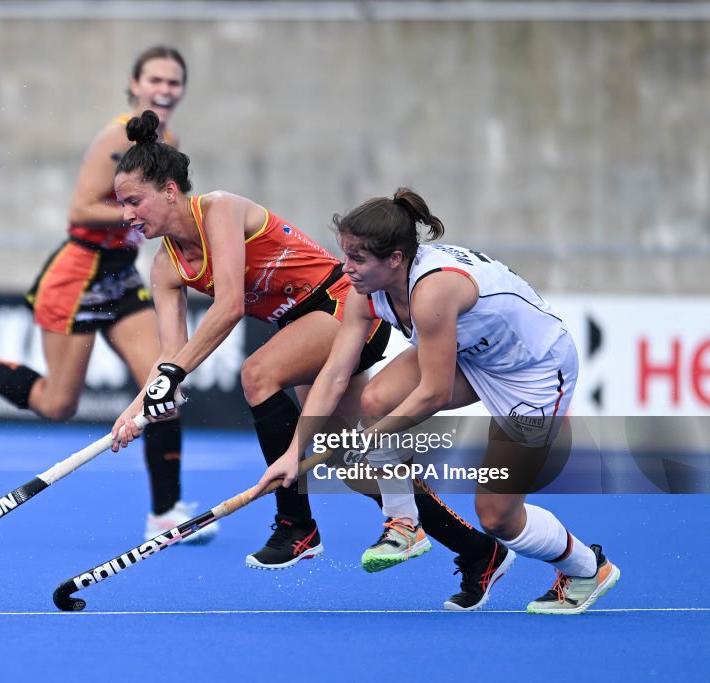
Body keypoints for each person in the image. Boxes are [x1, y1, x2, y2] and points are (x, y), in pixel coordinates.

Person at [108, 113, 511, 609]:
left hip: (340, 306)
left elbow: (230, 305)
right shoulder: (165, 264)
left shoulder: (220, 210)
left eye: (133, 201)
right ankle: (477, 551)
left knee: (257, 373)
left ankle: (296, 526)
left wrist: (171, 377)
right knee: (352, 465)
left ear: (170, 190)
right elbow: (170, 357)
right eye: (121, 204)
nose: (126, 215)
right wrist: (136, 409)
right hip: (302, 330)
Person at [256, 187, 620, 614]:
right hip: (474, 352)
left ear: (395, 258)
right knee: (376, 399)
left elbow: (434, 393)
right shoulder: (363, 289)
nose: (345, 268)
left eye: (357, 258)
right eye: (345, 254)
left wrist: (364, 439)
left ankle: (586, 567)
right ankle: (404, 524)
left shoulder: (431, 293)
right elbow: (335, 372)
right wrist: (293, 451)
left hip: (534, 372)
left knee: (497, 515)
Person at [0, 46, 216, 543]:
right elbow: (80, 209)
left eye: (174, 82)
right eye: (155, 80)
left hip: (120, 276)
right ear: (134, 84)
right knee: (59, 404)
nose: (165, 90)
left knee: (163, 386)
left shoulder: (171, 139)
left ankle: (165, 514)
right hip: (77, 276)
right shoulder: (115, 136)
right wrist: (139, 211)